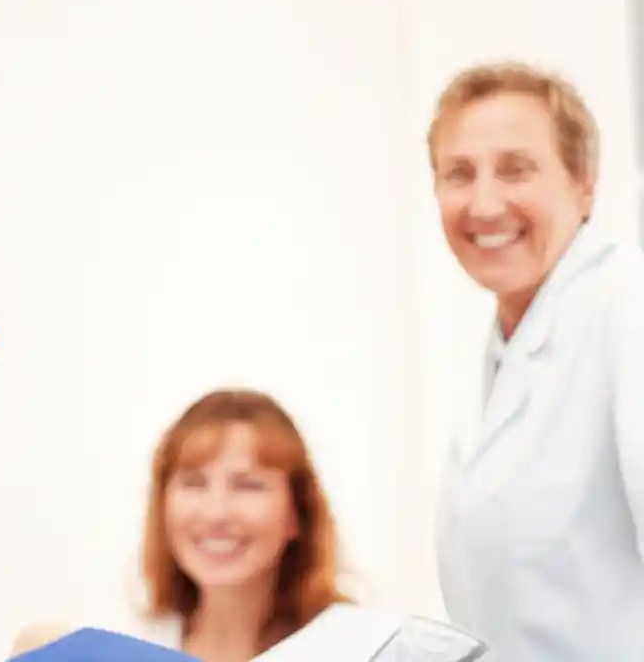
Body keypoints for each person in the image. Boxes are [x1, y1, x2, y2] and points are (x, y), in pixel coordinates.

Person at [427, 61, 644, 660]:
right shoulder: (506, 345)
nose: (485, 202)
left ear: (584, 185)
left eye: (516, 170)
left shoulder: (628, 313)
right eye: (459, 174)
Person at [124, 389, 485, 661]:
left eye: (248, 485)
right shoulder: (128, 650)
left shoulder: (368, 649)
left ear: (297, 513)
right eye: (194, 484)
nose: (217, 512)